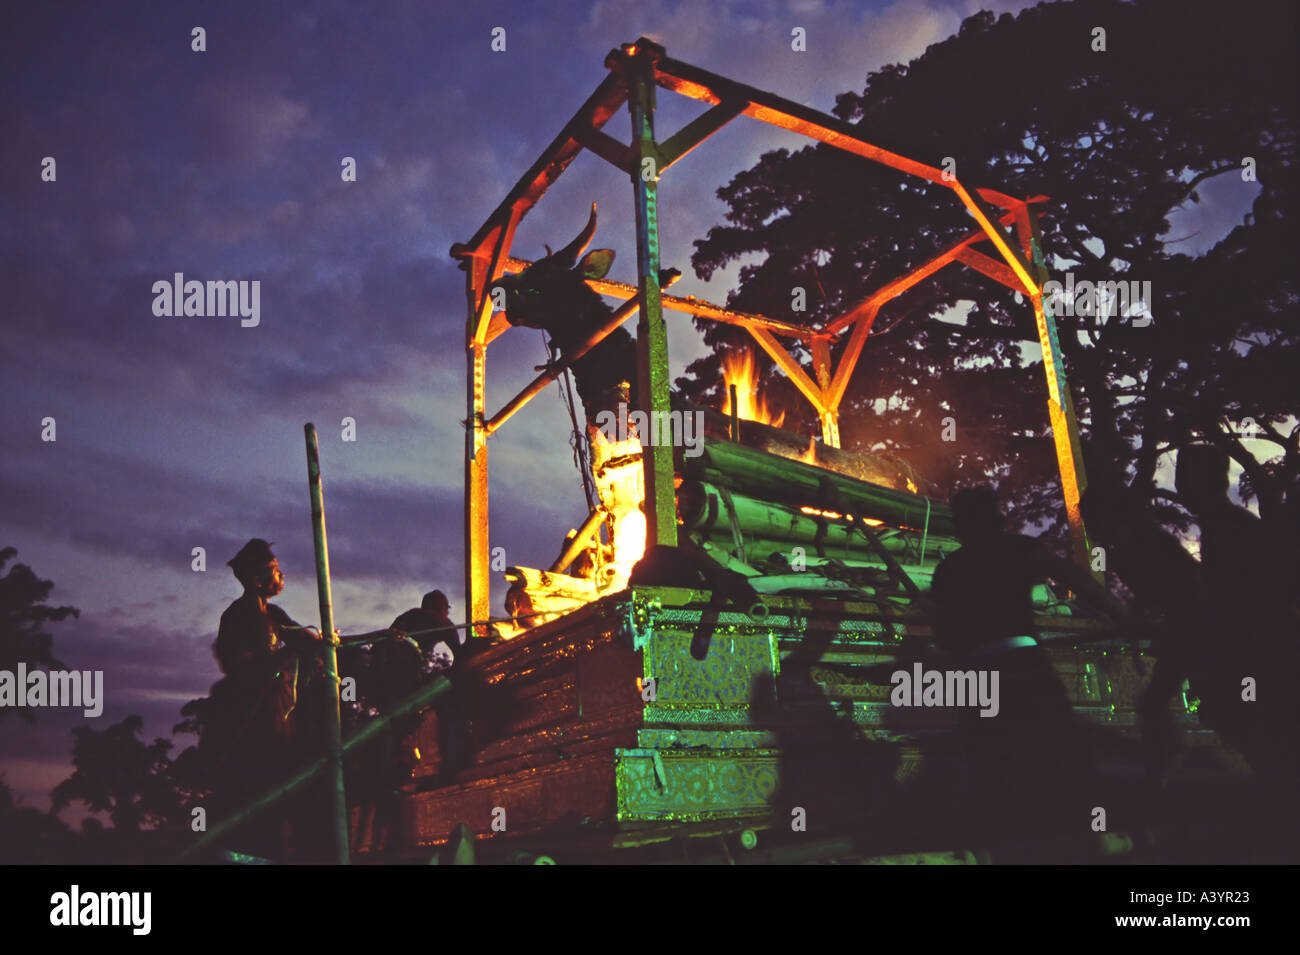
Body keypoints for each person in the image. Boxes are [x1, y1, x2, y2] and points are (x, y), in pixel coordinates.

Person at [927, 487, 1121, 852]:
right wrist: (1121, 615)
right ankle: (1074, 841)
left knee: (996, 768)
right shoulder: (1019, 551)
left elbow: (945, 637)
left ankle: (1015, 843)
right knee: (1059, 758)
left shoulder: (949, 569)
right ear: (997, 520)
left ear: (961, 526)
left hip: (980, 679)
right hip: (1025, 669)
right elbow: (1073, 576)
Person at [205, 539, 330, 856]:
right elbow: (236, 665)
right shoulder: (236, 616)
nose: (281, 575)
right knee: (258, 792)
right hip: (255, 719)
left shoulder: (274, 614)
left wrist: (323, 643)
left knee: (284, 786)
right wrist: (281, 659)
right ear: (258, 580)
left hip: (281, 715)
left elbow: (307, 638)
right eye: (275, 571)